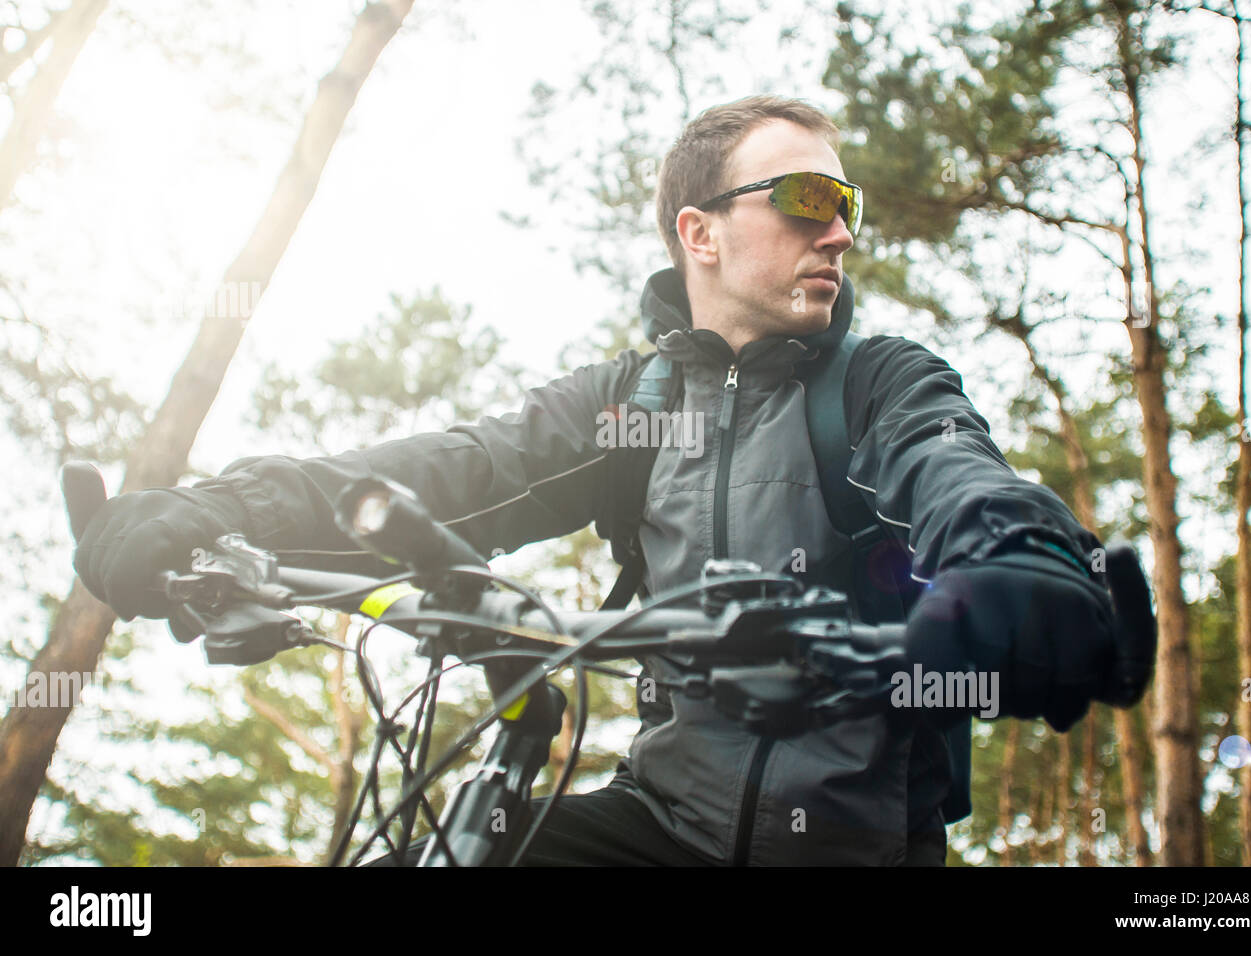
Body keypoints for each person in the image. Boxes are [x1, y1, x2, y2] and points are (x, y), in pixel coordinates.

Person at [73, 95, 1123, 866]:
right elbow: (457, 470)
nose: (839, 228)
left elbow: (957, 472)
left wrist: (1023, 564)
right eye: (808, 198)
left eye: (845, 204)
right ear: (698, 231)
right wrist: (215, 511)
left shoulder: (875, 384)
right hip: (661, 825)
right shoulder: (632, 401)